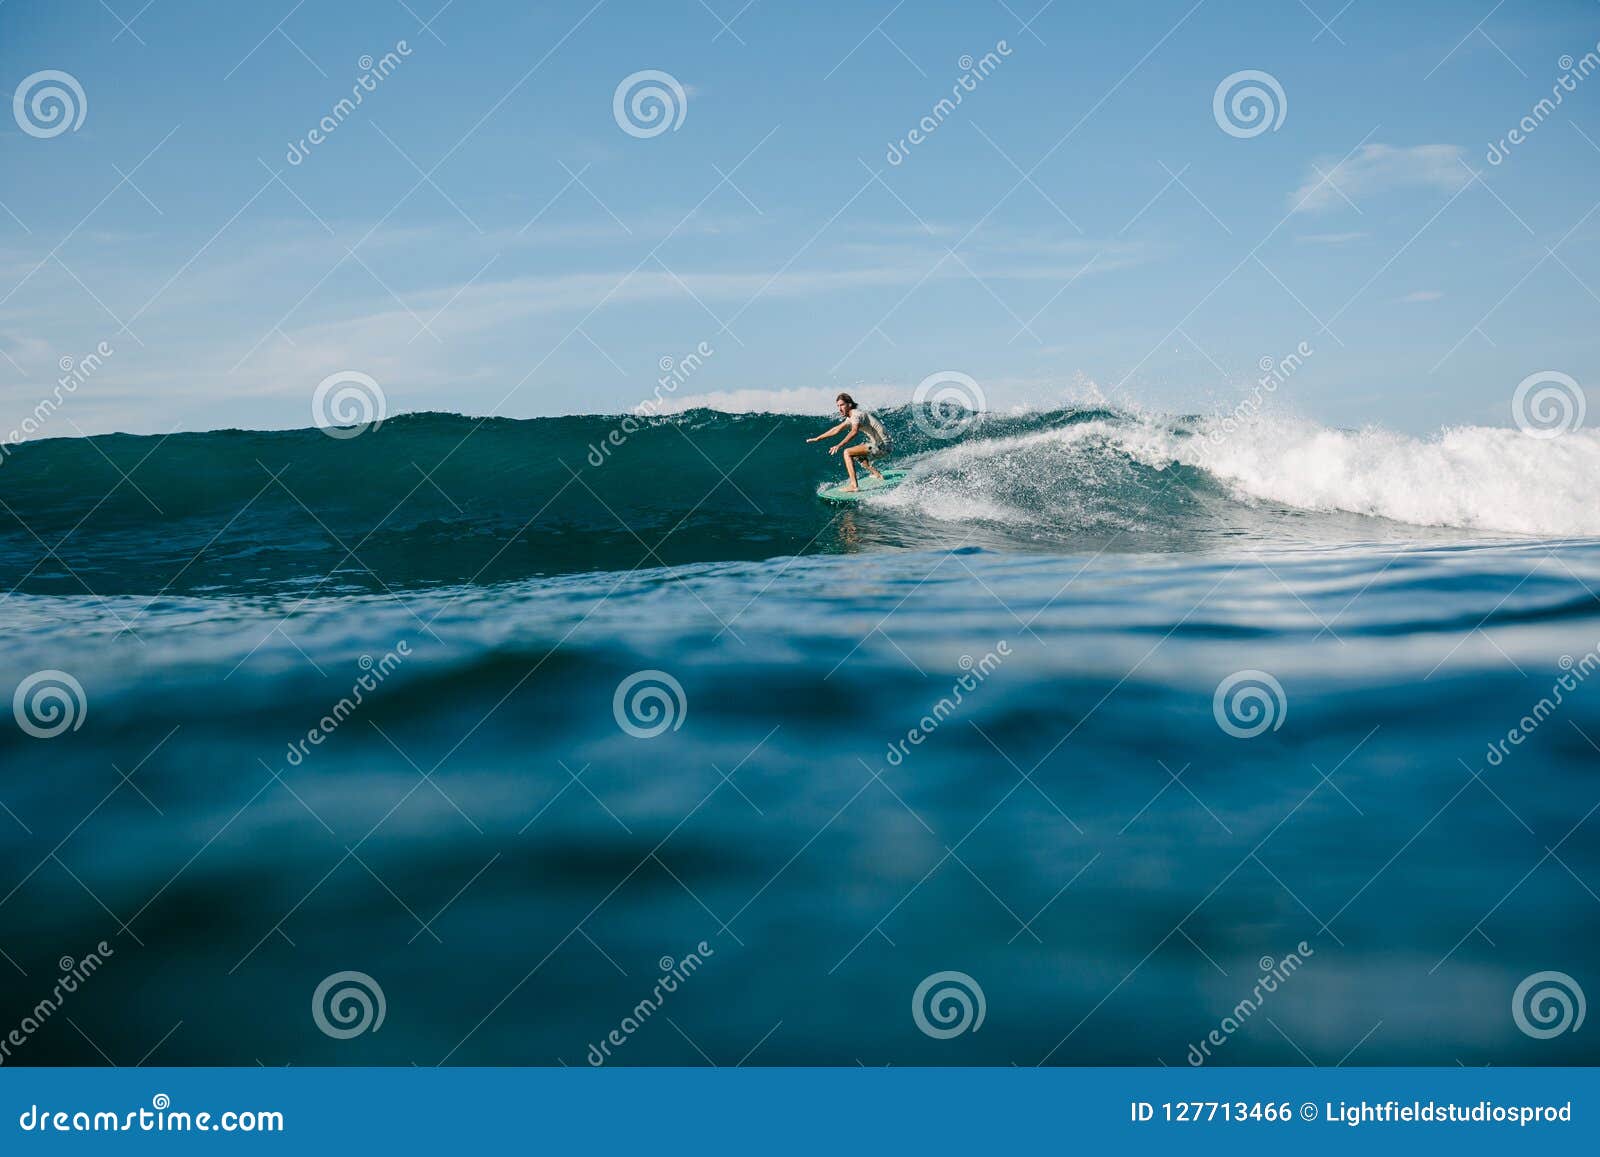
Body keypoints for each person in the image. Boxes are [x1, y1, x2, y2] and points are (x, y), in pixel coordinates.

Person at [807, 392, 892, 491]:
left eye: (842, 405)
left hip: (883, 446)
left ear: (849, 405)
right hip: (883, 446)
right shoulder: (851, 417)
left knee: (847, 452)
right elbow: (836, 429)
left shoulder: (856, 415)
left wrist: (839, 445)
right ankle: (876, 474)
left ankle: (854, 486)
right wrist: (818, 438)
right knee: (857, 455)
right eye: (838, 406)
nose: (839, 408)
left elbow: (854, 431)